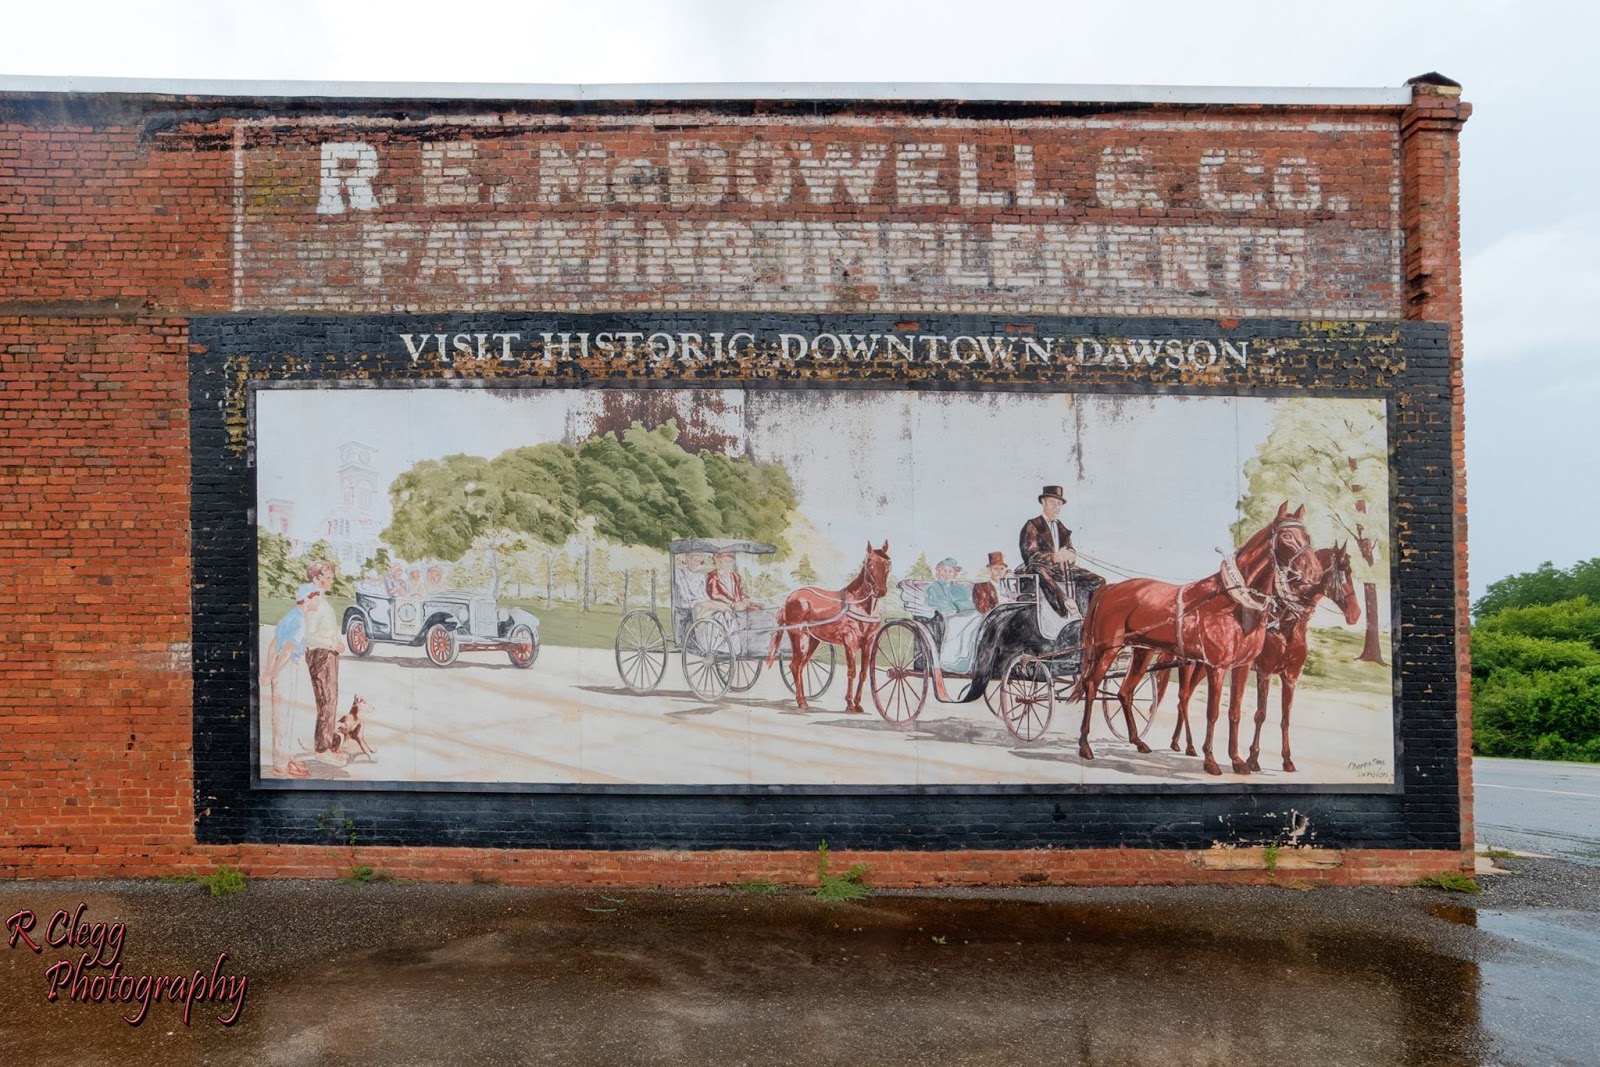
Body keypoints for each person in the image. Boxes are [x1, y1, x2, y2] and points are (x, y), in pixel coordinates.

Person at [1019, 485, 1104, 618]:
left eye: (1059, 504)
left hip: (1060, 570)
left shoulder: (1062, 528)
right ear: (1043, 502)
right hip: (1040, 569)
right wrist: (1053, 557)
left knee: (1097, 581)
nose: (1057, 507)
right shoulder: (1033, 525)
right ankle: (1065, 605)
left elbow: (1069, 549)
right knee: (1039, 570)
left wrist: (1071, 555)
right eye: (1053, 503)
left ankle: (1091, 616)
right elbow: (1030, 555)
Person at [261, 584, 313, 778]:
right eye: (317, 597)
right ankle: (281, 766)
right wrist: (272, 673)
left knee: (285, 716)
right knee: (283, 717)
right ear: (307, 599)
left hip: (282, 669)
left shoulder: (290, 616)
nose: (319, 600)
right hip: (288, 668)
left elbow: (273, 646)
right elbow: (287, 650)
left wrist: (268, 671)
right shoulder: (299, 621)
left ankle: (287, 759)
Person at [302, 560, 347, 765]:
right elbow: (309, 636)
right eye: (327, 577)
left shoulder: (322, 600)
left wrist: (335, 643)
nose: (331, 580)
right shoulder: (314, 602)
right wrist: (332, 644)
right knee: (326, 702)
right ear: (316, 578)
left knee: (330, 701)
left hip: (328, 654)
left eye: (331, 577)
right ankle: (322, 749)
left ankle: (325, 745)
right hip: (320, 655)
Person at [928, 557, 983, 673]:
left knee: (978, 617)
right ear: (938, 572)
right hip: (945, 616)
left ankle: (964, 657)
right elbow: (934, 603)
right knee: (961, 622)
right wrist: (953, 608)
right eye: (944, 571)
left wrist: (961, 606)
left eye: (950, 571)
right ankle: (949, 660)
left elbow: (968, 602)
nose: (947, 574)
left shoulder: (959, 588)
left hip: (961, 613)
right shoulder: (933, 587)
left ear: (954, 574)